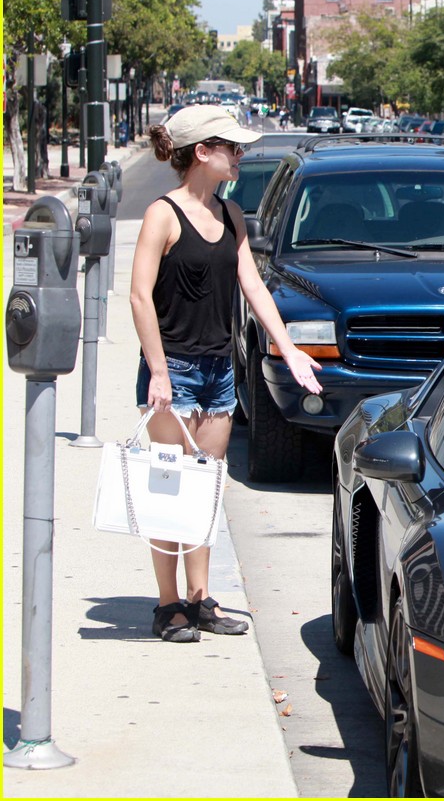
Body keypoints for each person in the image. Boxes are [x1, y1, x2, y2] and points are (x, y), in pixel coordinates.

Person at [131, 105, 323, 643]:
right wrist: (158, 371)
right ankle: (168, 605)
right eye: (231, 147)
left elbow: (253, 286)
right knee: (169, 490)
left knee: (204, 491)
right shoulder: (162, 215)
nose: (239, 155)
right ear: (202, 153)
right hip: (172, 369)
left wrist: (287, 348)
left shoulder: (232, 213)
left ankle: (201, 599)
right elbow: (139, 296)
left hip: (217, 369)